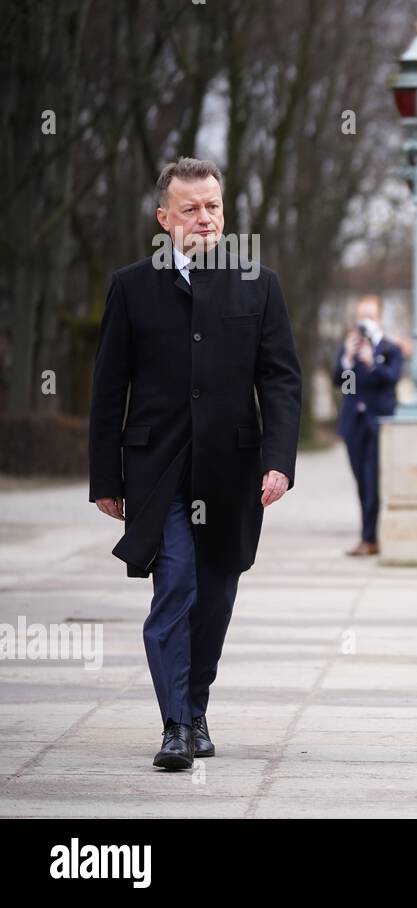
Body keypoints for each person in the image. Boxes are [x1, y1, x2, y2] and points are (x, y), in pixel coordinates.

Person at [88, 156, 302, 770]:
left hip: (231, 471)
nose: (204, 219)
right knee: (175, 585)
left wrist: (278, 461)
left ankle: (197, 705)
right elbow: (109, 389)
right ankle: (175, 725)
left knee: (215, 597)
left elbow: (280, 382)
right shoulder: (132, 286)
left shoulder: (258, 283)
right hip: (157, 470)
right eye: (191, 209)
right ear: (165, 219)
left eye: (213, 207)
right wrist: (105, 478)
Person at [333, 295, 404, 556]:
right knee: (361, 481)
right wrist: (348, 361)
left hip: (379, 423)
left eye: (370, 316)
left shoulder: (389, 348)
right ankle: (369, 536)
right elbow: (338, 380)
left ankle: (370, 538)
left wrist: (372, 362)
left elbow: (392, 378)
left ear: (379, 318)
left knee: (373, 479)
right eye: (361, 316)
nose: (365, 322)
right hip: (354, 424)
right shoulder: (349, 346)